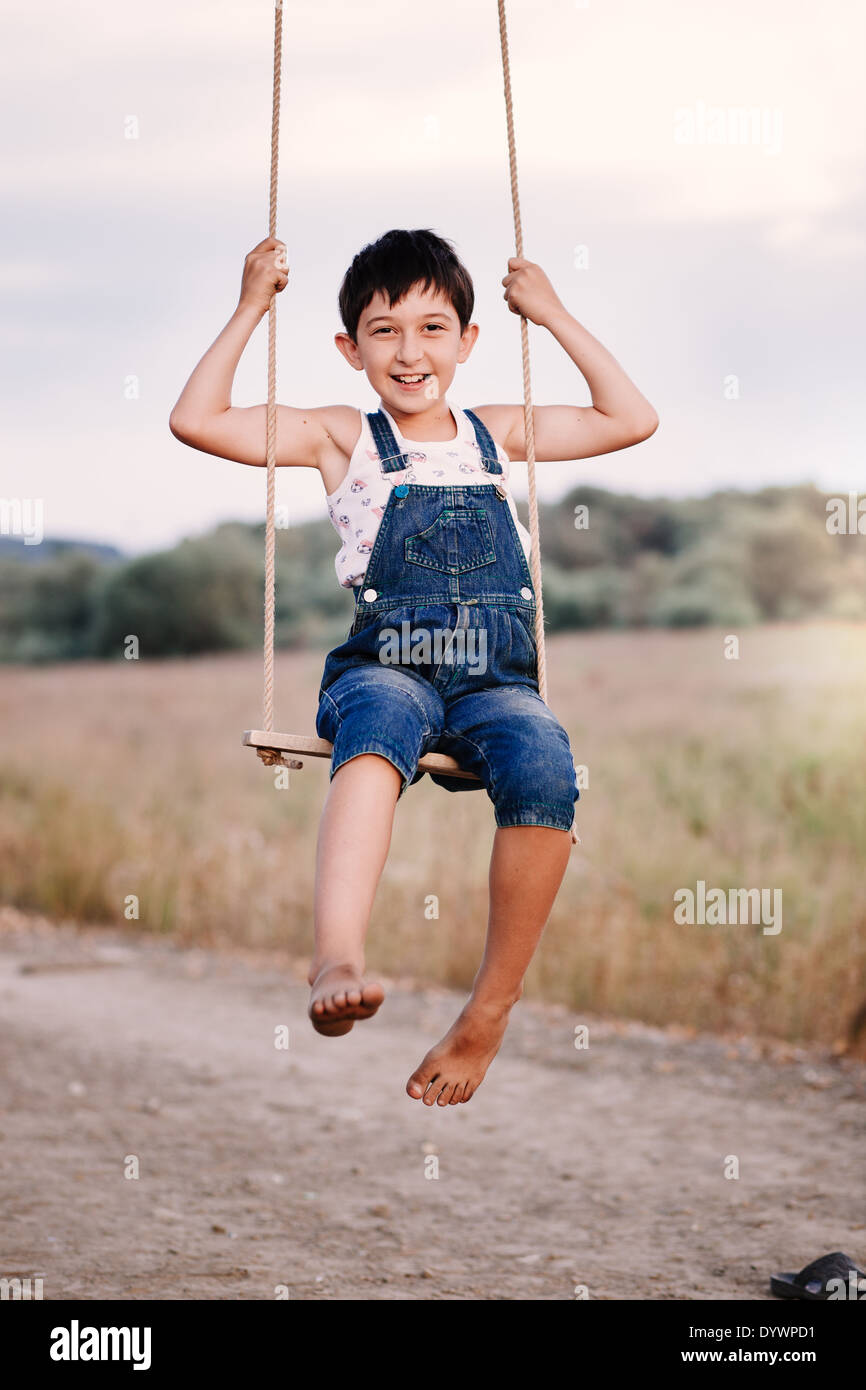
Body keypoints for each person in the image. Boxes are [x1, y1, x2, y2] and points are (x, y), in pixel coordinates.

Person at [169, 228, 658, 1106]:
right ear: (349, 348)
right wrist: (250, 307)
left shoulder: (494, 433)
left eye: (433, 329)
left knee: (546, 764)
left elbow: (631, 418)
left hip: (496, 679)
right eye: (384, 331)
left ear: (467, 341)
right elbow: (196, 420)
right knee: (380, 723)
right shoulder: (340, 435)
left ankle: (490, 1009)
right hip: (388, 663)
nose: (409, 351)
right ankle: (336, 959)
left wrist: (550, 313)